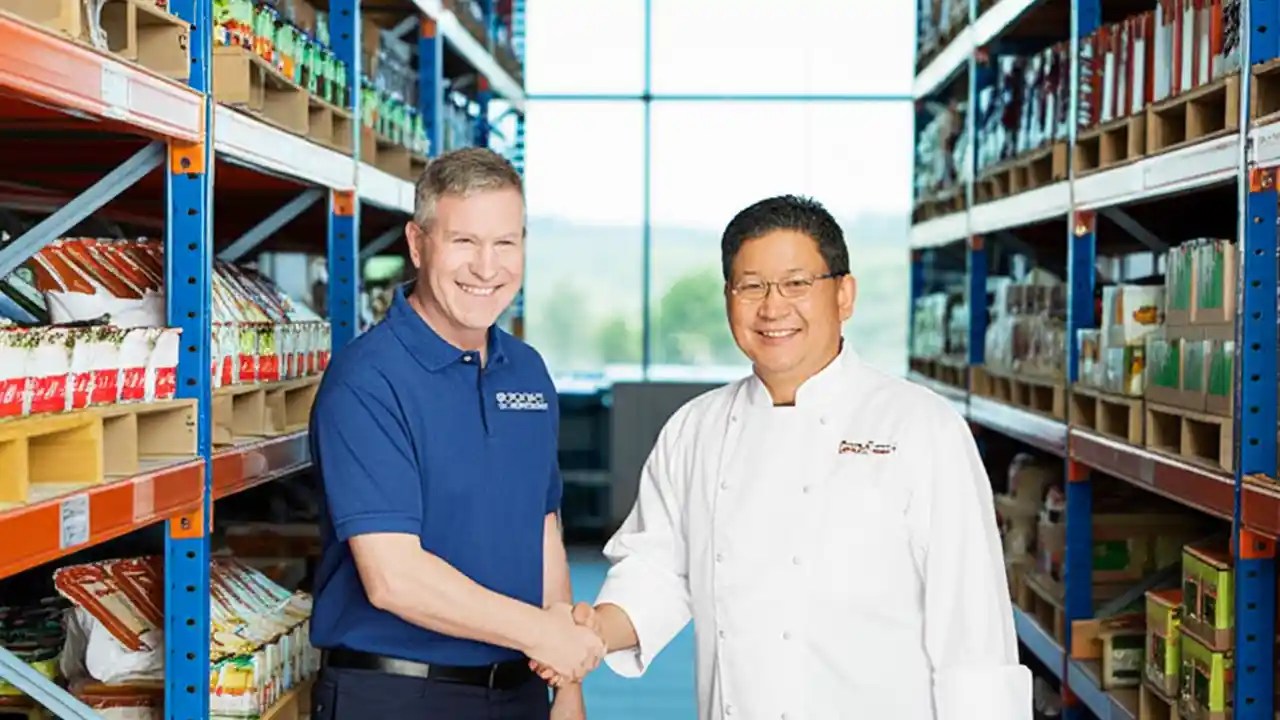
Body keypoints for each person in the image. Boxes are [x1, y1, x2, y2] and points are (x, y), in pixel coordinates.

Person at [537, 195, 1033, 719]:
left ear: (844, 294)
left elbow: (972, 635)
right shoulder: (696, 429)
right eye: (751, 286)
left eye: (797, 284)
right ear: (728, 297)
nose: (773, 308)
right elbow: (658, 571)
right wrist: (594, 631)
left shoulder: (920, 427)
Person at [307, 147, 602, 720]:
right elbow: (394, 577)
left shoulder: (528, 372)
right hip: (398, 696)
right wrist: (545, 636)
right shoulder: (368, 379)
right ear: (419, 244)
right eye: (464, 242)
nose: (487, 268)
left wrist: (566, 688)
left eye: (505, 243)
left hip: (518, 689)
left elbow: (541, 528)